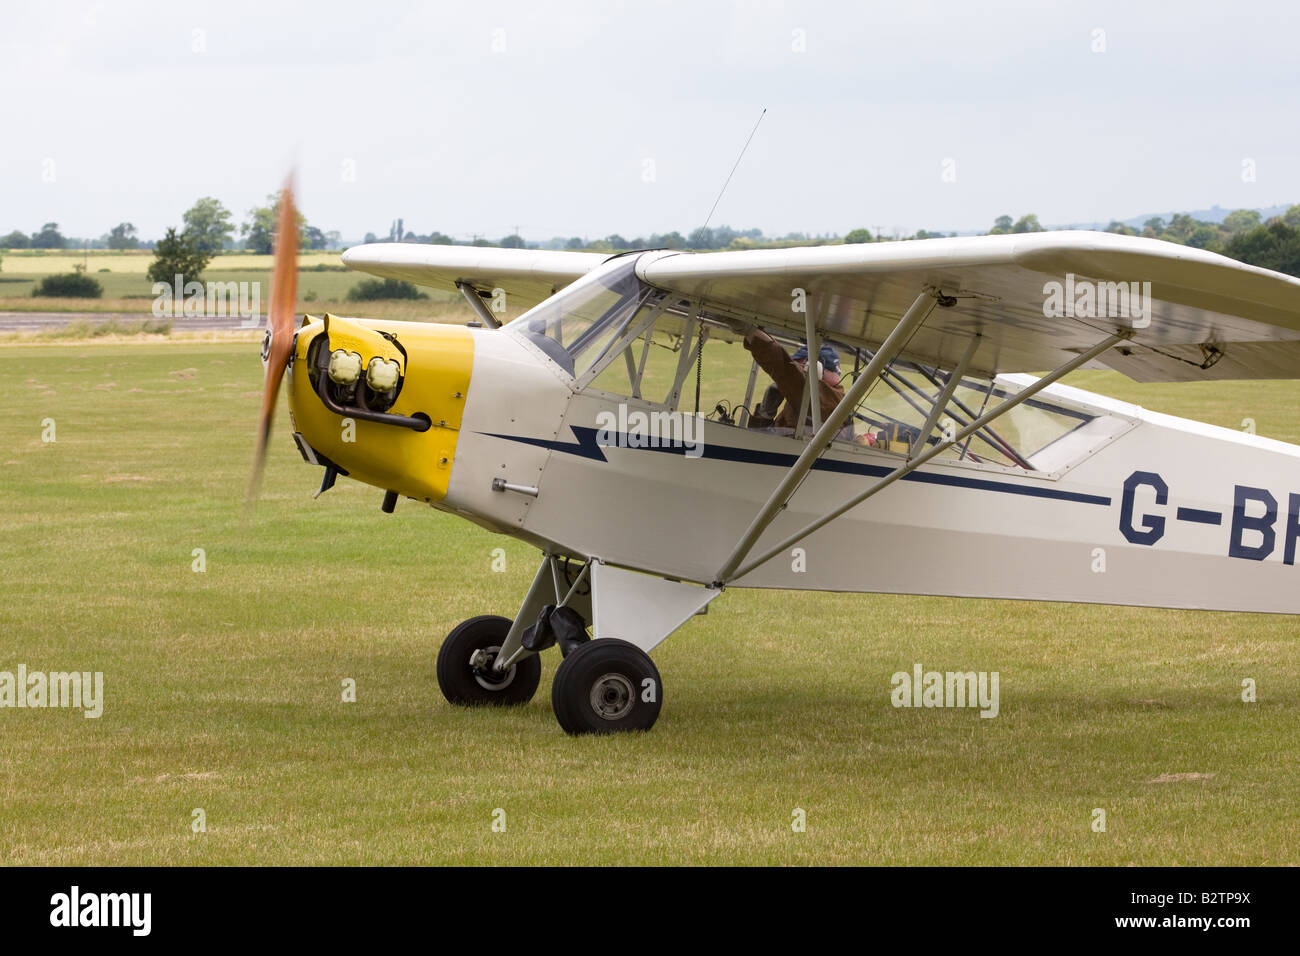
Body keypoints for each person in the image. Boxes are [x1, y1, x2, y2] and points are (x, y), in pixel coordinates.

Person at [743, 328, 848, 436]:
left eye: (800, 367)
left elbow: (784, 368)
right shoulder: (825, 399)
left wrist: (749, 331)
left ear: (815, 367)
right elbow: (761, 439)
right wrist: (764, 415)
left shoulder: (820, 398)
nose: (798, 372)